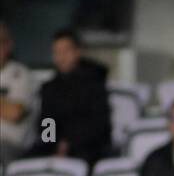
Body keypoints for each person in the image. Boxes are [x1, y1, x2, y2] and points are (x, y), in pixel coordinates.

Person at [30, 29, 111, 165]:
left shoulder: (94, 83)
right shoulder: (49, 87)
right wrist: (55, 145)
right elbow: (47, 121)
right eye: (57, 52)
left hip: (88, 147)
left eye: (66, 51)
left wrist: (70, 143)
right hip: (54, 146)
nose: (61, 57)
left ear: (77, 52)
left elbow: (99, 124)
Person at [0, 20, 35, 165]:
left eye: (1, 42)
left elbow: (14, 113)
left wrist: (7, 108)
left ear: (8, 45)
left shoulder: (21, 74)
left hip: (10, 145)